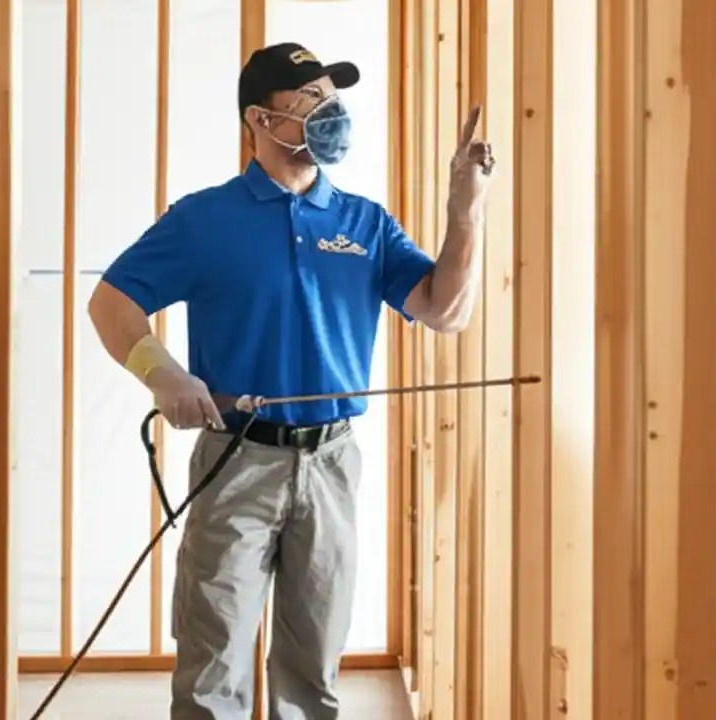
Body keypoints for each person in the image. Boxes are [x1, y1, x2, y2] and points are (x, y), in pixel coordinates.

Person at [88, 41, 494, 719]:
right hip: (238, 459)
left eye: (332, 101)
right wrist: (164, 375)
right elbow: (112, 303)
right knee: (212, 660)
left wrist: (466, 209)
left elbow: (444, 310)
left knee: (313, 669)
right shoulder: (205, 218)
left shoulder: (365, 222)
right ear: (260, 119)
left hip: (333, 462)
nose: (328, 112)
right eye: (309, 100)